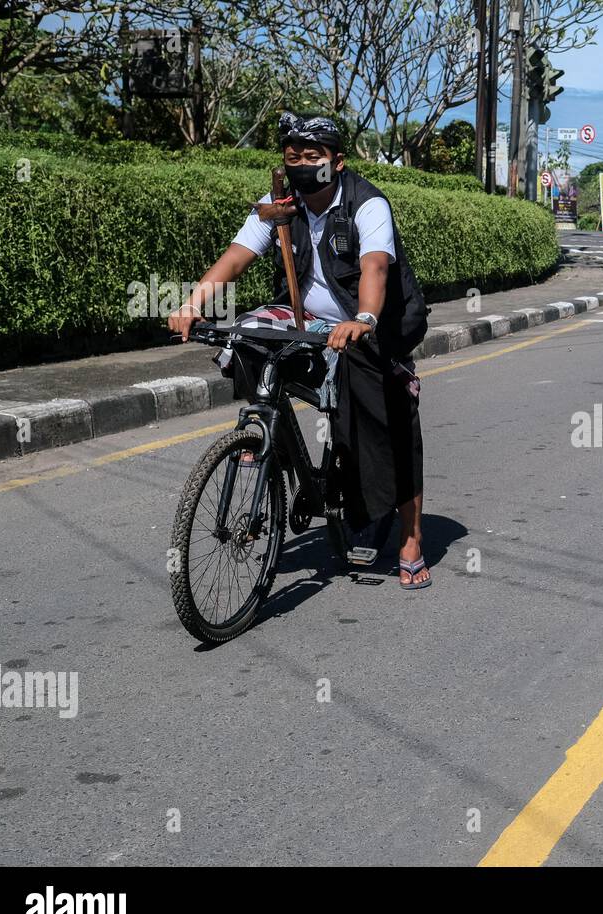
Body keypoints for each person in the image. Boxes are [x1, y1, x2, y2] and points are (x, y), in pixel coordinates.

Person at [169, 112, 434, 587]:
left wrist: (365, 319)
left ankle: (409, 536)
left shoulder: (368, 204)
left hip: (374, 324)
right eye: (294, 157)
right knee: (248, 333)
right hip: (306, 320)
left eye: (314, 157)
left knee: (385, 421)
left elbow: (375, 267)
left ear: (338, 161)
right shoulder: (279, 202)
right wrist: (192, 304)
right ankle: (269, 440)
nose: (303, 164)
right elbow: (237, 256)